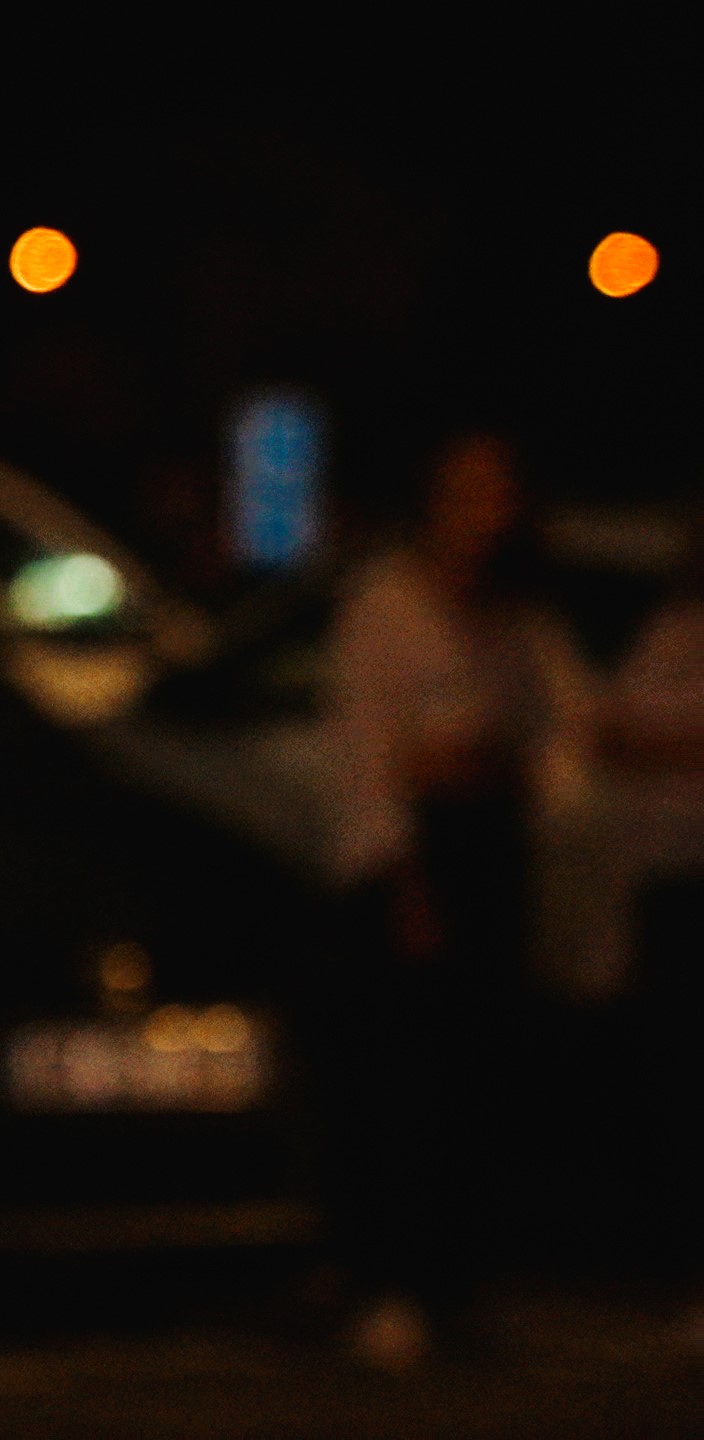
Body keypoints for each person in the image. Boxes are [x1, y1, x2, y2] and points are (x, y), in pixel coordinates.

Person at [314, 428, 592, 1366]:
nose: (484, 511)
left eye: (497, 491)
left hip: (491, 846)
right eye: (464, 491)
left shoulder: (520, 616)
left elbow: (560, 731)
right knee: (403, 1074)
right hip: (413, 857)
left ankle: (459, 1280)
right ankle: (387, 1281)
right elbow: (363, 755)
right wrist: (402, 879)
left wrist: (508, 769)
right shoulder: (387, 607)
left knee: (479, 1069)